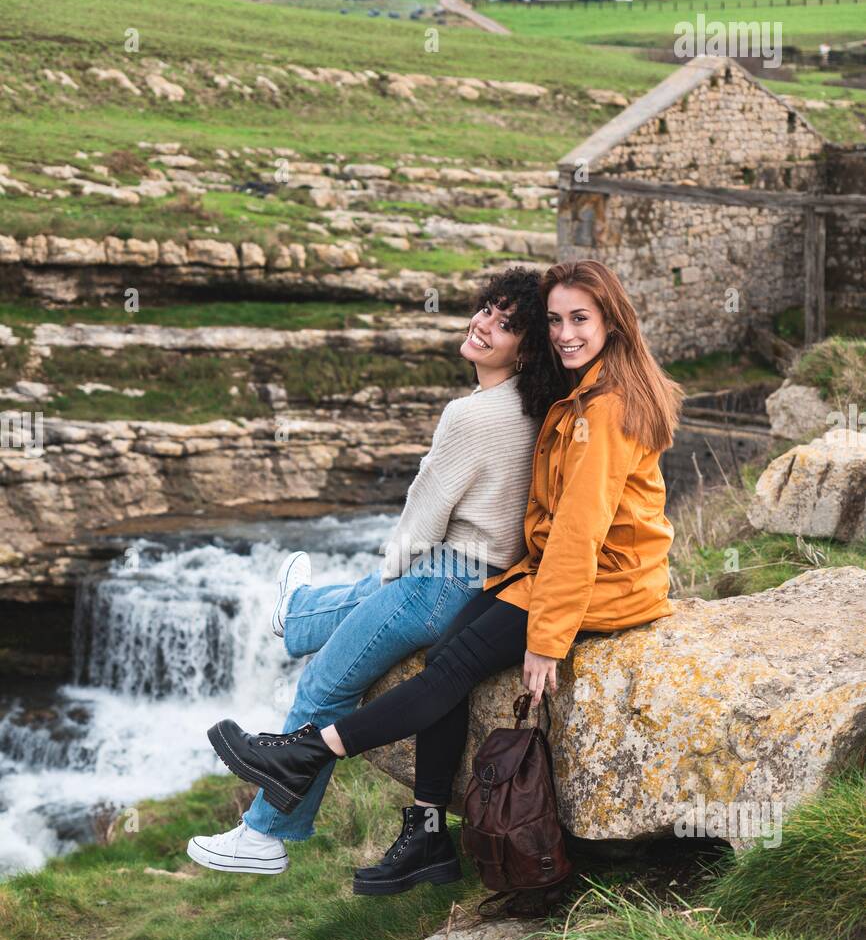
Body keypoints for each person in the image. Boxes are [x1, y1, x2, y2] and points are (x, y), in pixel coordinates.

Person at [206, 261, 683, 895]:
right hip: (533, 572)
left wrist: (547, 637)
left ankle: (304, 755)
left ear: (611, 322)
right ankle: (428, 831)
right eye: (556, 321)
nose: (566, 333)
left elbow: (577, 532)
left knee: (439, 670)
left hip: (598, 581)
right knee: (449, 657)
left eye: (579, 319)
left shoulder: (600, 408)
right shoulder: (571, 395)